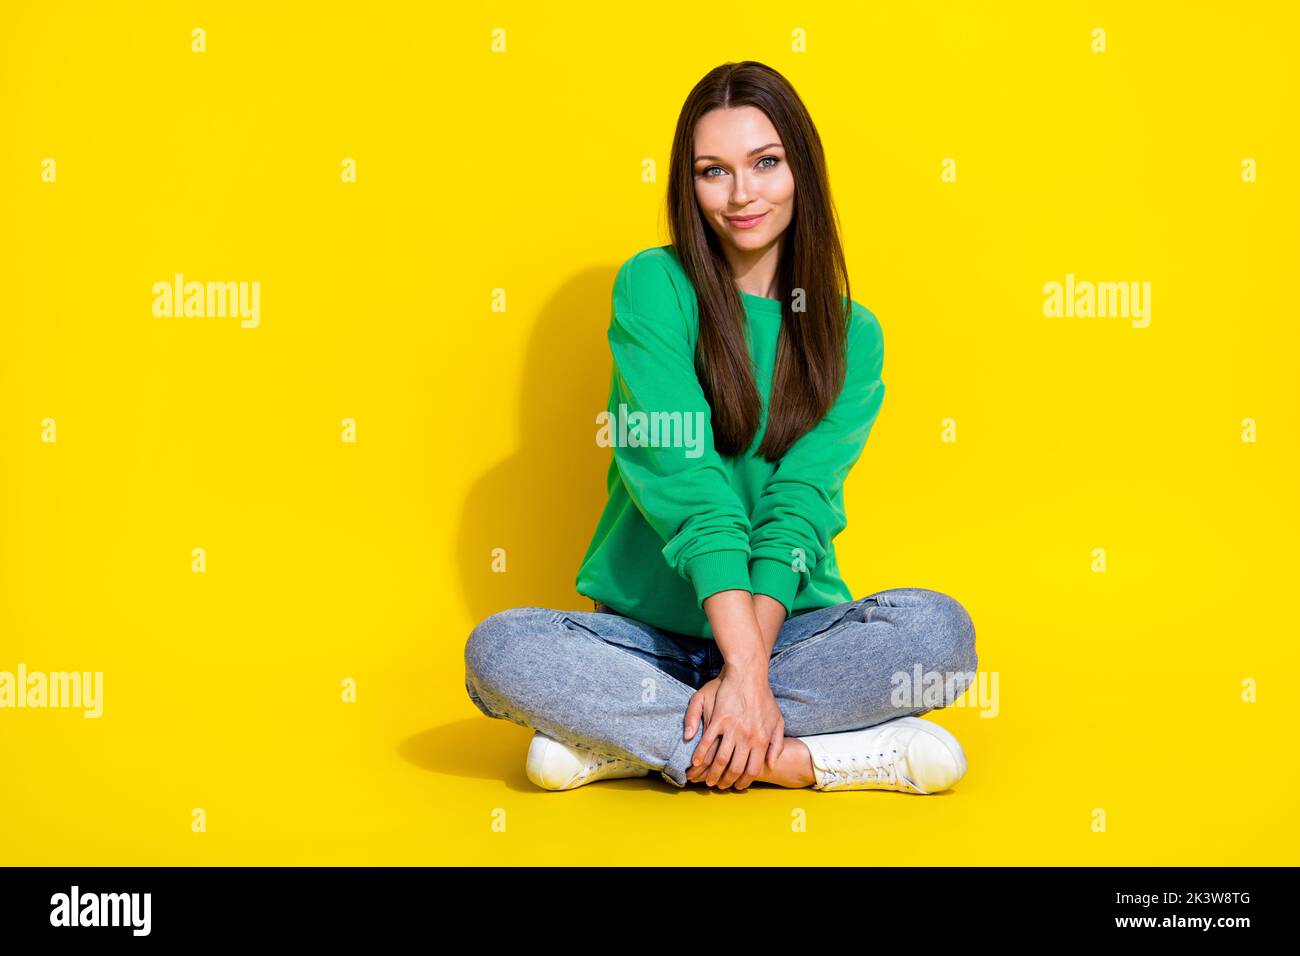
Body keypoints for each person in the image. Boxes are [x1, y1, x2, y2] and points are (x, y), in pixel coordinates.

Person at [464, 60, 978, 793]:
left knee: (940, 635)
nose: (742, 195)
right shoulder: (654, 286)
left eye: (765, 163)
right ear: (688, 184)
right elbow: (686, 486)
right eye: (713, 171)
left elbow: (798, 509)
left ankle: (635, 744)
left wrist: (749, 666)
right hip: (645, 643)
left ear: (801, 168)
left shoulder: (850, 335)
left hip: (791, 633)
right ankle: (806, 760)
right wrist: (740, 675)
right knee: (502, 649)